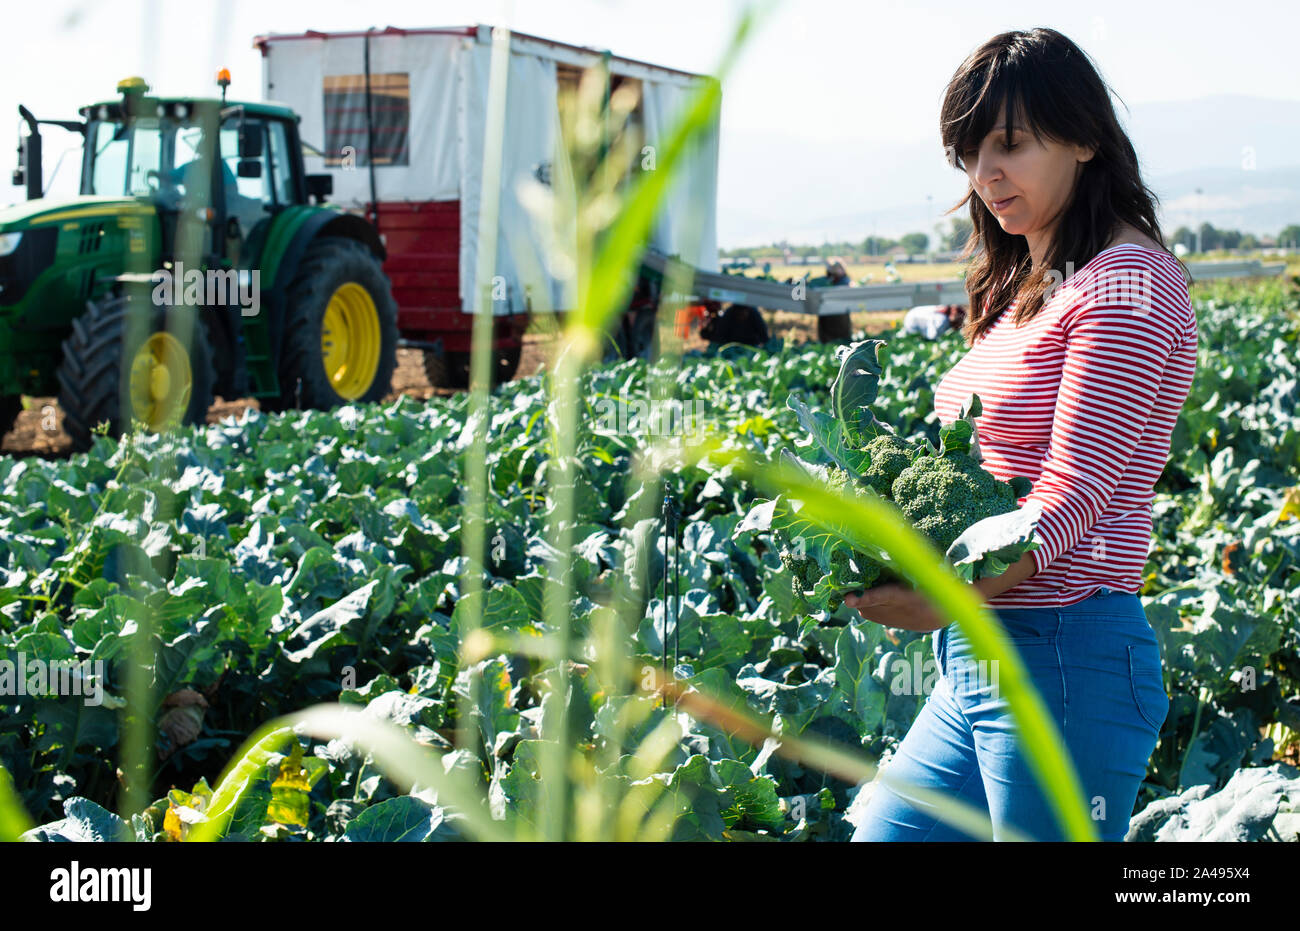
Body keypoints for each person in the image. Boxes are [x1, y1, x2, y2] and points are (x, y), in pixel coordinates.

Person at [846, 27, 1196, 843]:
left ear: (1081, 137)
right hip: (982, 656)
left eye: (1008, 145)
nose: (985, 176)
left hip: (1064, 661)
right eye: (969, 154)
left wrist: (939, 595)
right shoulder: (1029, 286)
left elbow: (1071, 496)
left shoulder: (1126, 285)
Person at [901, 303, 967, 340]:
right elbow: (932, 336)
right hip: (911, 324)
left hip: (911, 315)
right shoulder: (943, 321)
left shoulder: (943, 312)